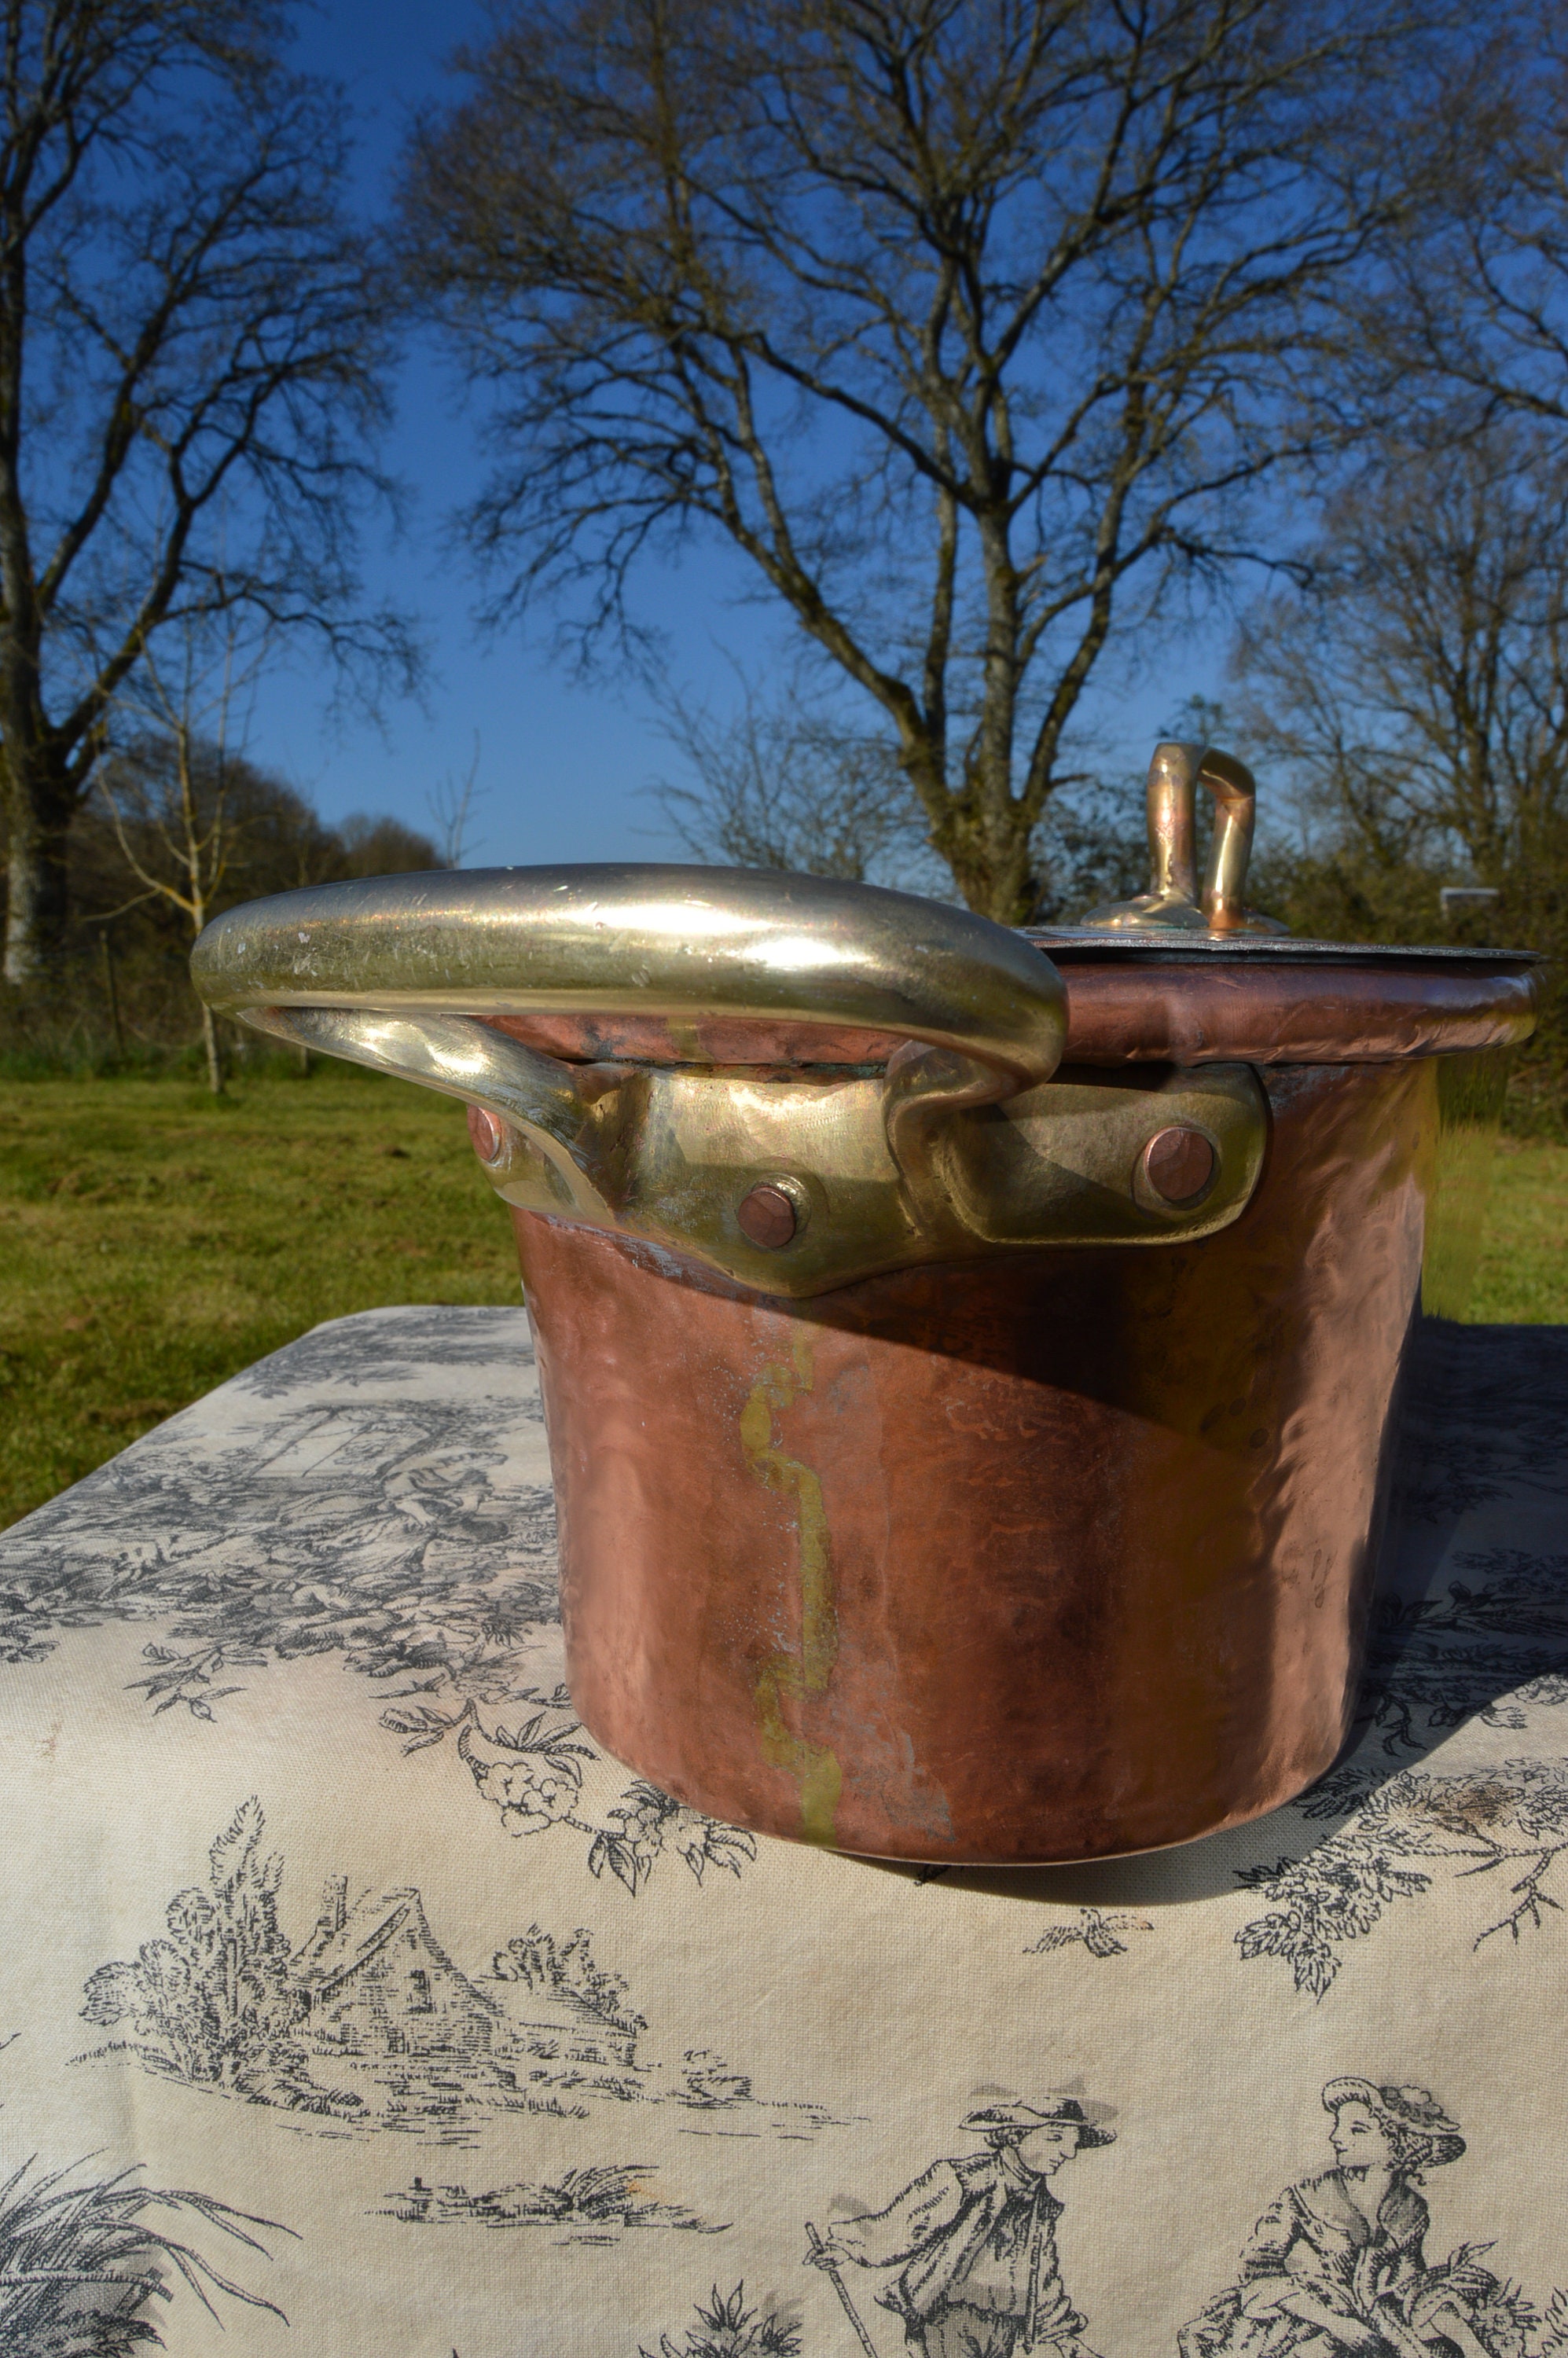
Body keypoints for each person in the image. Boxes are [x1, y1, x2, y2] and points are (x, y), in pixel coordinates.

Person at [1178, 2079, 1519, 2358]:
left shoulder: (1410, 2210)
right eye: (1339, 2127)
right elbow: (1259, 2270)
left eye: (1357, 2130)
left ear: (1398, 2145)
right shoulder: (1304, 2197)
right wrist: (1338, 2324)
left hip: (1376, 2326)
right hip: (1297, 2323)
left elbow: (1409, 2288)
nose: (1337, 2137)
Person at [808, 2096, 1114, 2357]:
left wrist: (1065, 2339)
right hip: (949, 2315)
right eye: (1055, 2139)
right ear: (1015, 2135)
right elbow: (906, 2225)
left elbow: (1041, 2275)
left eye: (1073, 2143)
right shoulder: (967, 2179)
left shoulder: (1040, 2207)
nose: (1068, 2153)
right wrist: (846, 2247)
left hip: (1004, 2325)